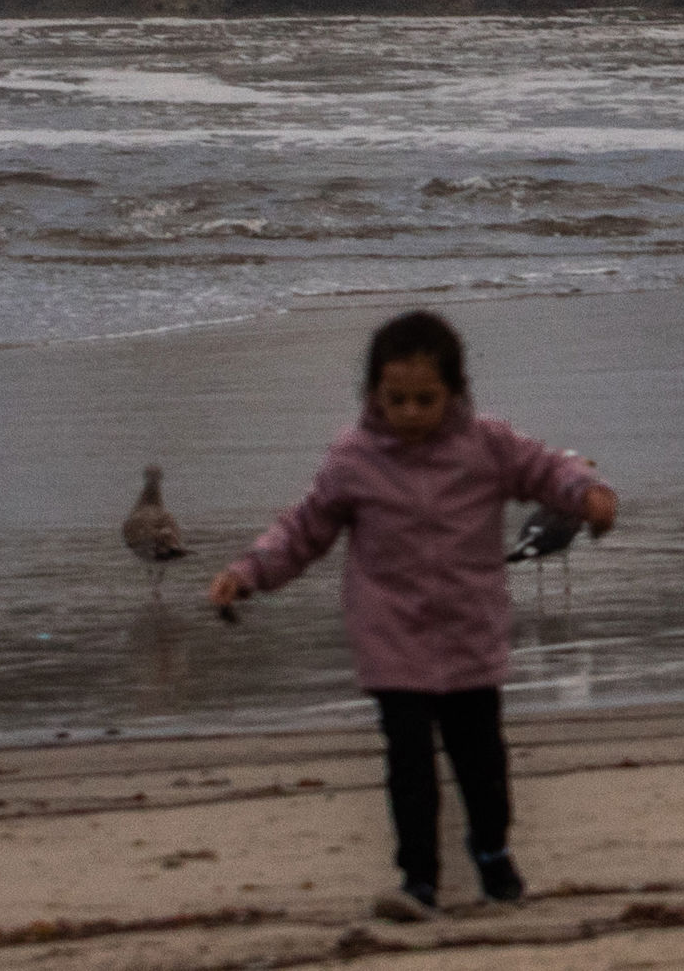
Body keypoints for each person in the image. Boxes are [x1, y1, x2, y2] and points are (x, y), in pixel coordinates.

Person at [212, 308, 617, 919]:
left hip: (469, 632)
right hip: (391, 638)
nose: (410, 412)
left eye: (425, 399)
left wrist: (587, 493)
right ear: (373, 394)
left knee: (481, 758)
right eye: (395, 399)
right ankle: (418, 879)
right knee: (408, 763)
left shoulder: (487, 445)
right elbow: (303, 529)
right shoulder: (353, 458)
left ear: (454, 392)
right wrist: (248, 572)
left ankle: (492, 854)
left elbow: (547, 468)